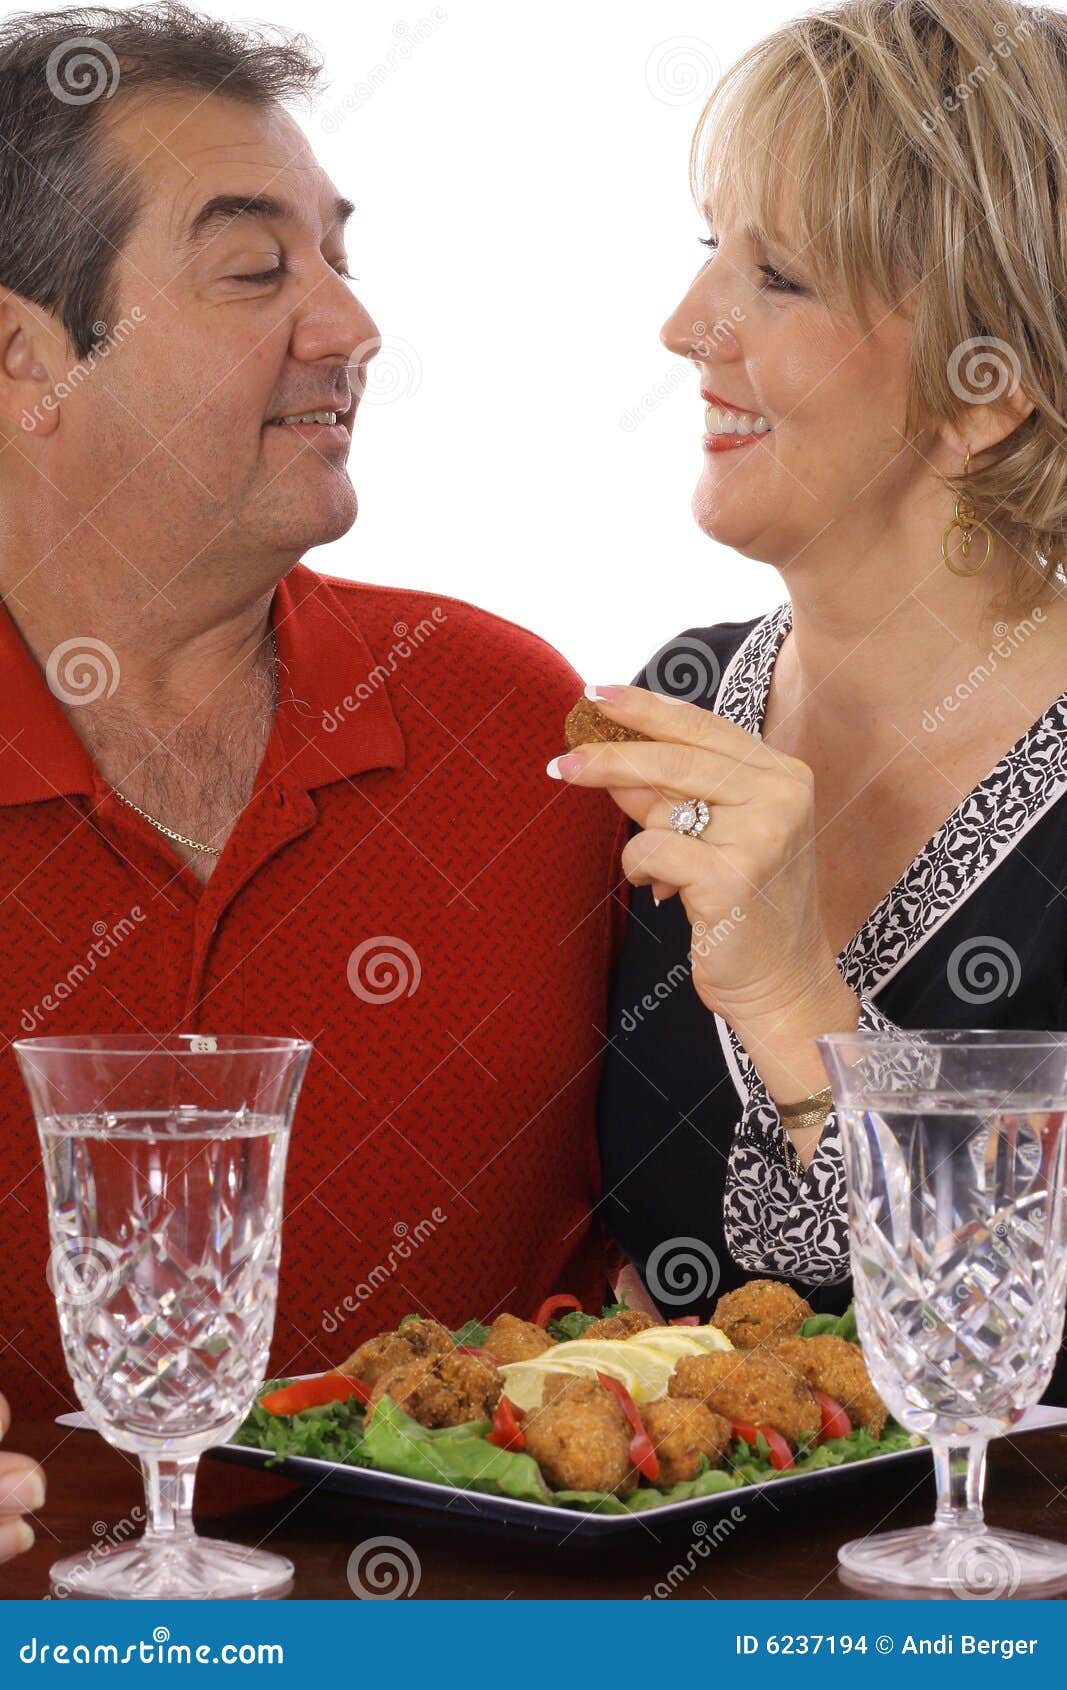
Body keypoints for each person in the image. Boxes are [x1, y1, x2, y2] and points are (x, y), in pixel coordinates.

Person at [0, 0, 627, 1456]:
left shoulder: (526, 731)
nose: (350, 325)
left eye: (339, 258)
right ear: (27, 359)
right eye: (252, 270)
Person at [554, 0, 1067, 1398]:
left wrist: (792, 996)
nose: (684, 325)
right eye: (708, 250)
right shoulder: (671, 706)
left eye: (778, 276)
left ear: (987, 387)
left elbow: (1021, 1343)